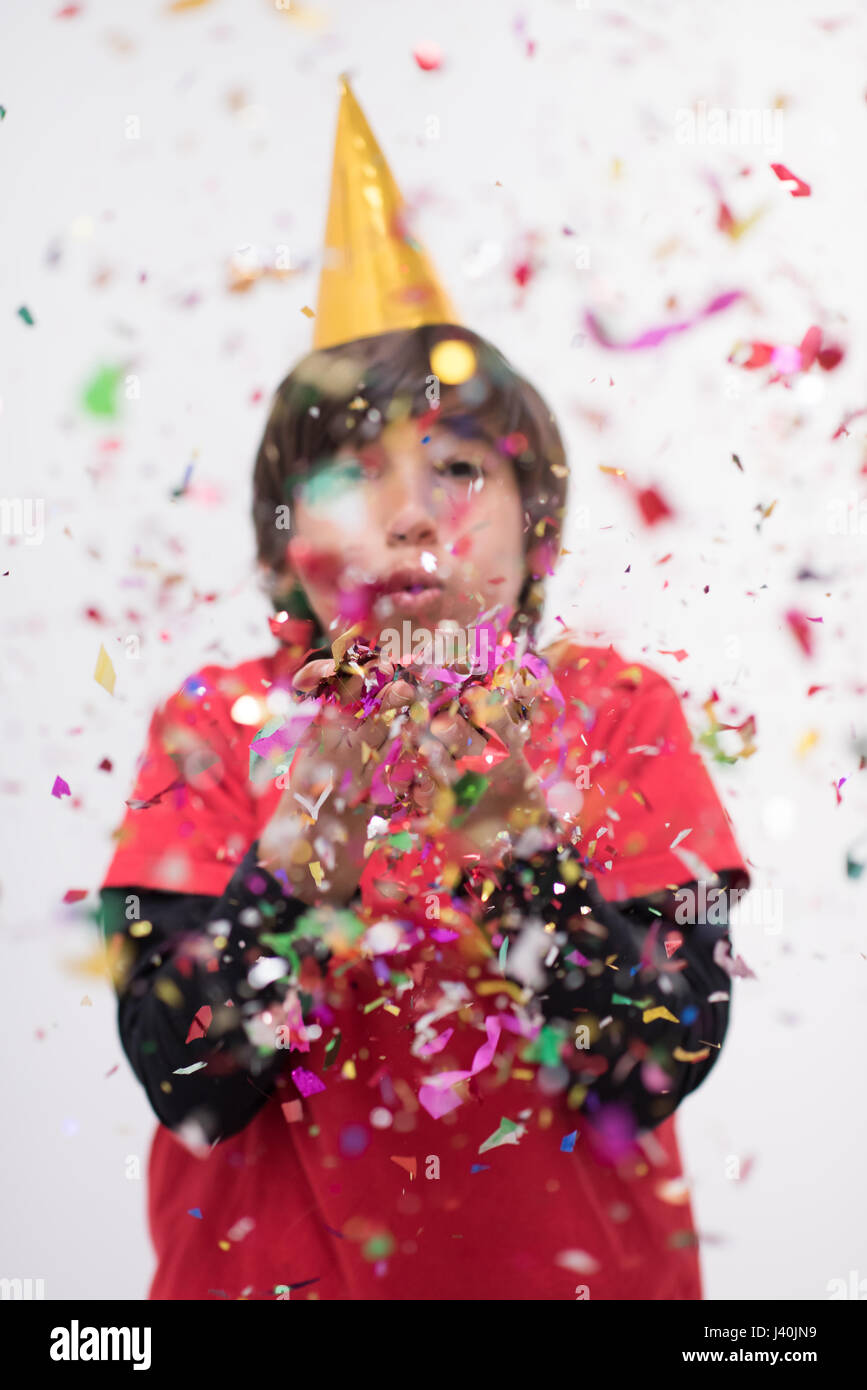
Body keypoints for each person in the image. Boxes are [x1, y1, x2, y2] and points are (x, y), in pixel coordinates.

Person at [97, 78, 750, 1302]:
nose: (405, 514)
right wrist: (310, 842)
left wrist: (518, 849)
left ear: (535, 527)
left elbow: (653, 1069)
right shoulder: (214, 723)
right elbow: (193, 1087)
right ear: (288, 534)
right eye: (351, 472)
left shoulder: (615, 713)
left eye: (455, 466)